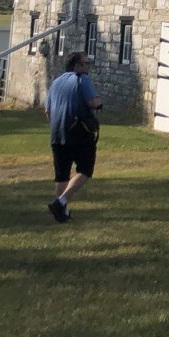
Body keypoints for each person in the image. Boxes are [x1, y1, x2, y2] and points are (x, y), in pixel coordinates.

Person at [45, 51, 102, 223]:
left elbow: (47, 111)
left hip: (57, 133)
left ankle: (62, 212)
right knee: (85, 169)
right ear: (77, 66)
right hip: (78, 132)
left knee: (62, 174)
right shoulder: (81, 79)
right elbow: (92, 102)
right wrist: (100, 101)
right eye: (86, 64)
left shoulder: (55, 82)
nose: (88, 67)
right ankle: (60, 202)